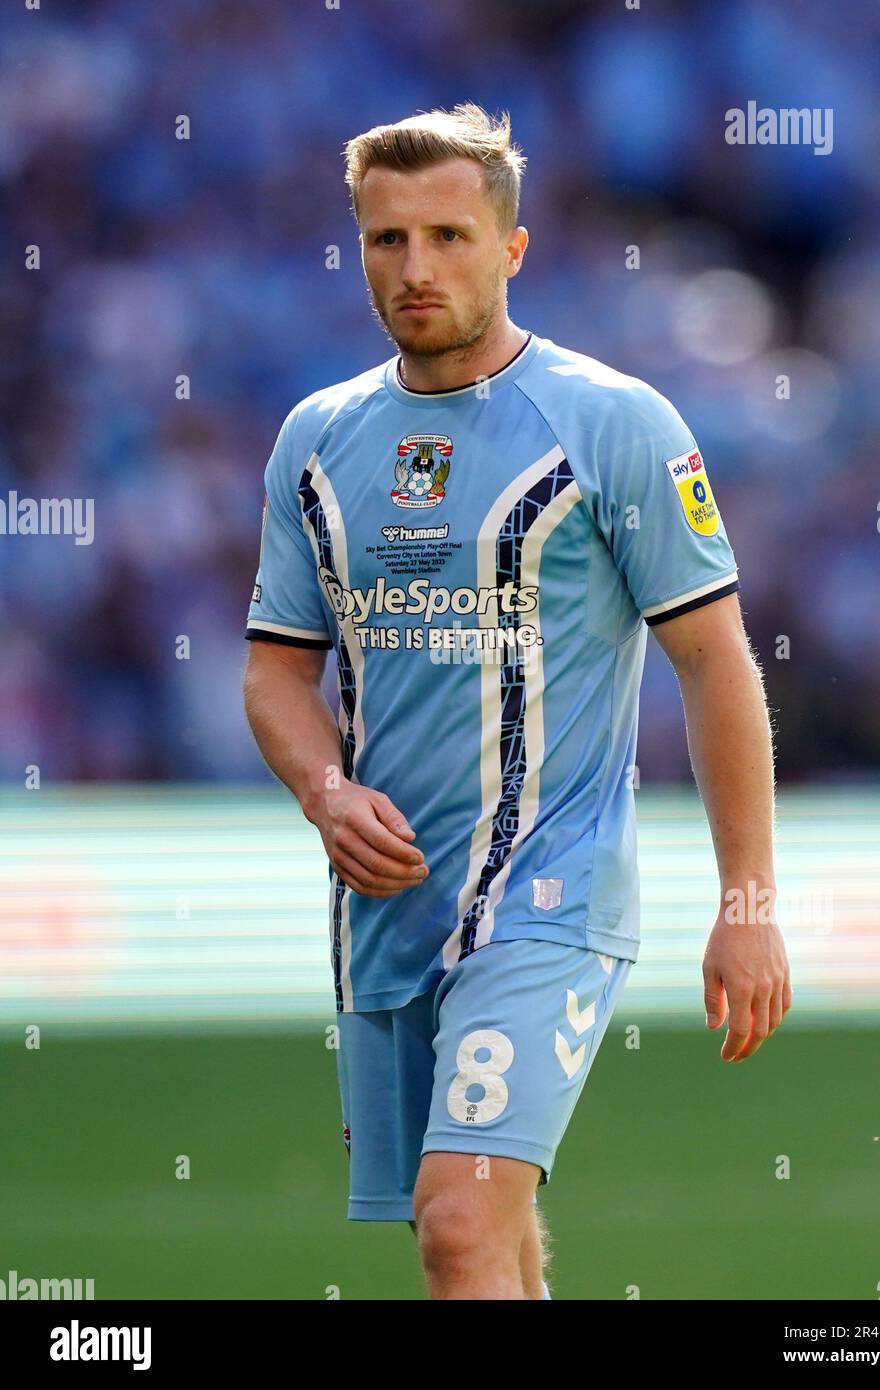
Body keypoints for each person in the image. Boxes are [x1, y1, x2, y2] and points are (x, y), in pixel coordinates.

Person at [242, 102, 791, 1301]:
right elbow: (278, 665)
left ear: (512, 248)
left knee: (456, 1221)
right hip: (385, 906)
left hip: (551, 889)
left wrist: (745, 901)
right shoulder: (318, 437)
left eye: (447, 235)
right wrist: (322, 789)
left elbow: (714, 661)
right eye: (386, 240)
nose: (415, 268)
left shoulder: (613, 421)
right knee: (470, 1245)